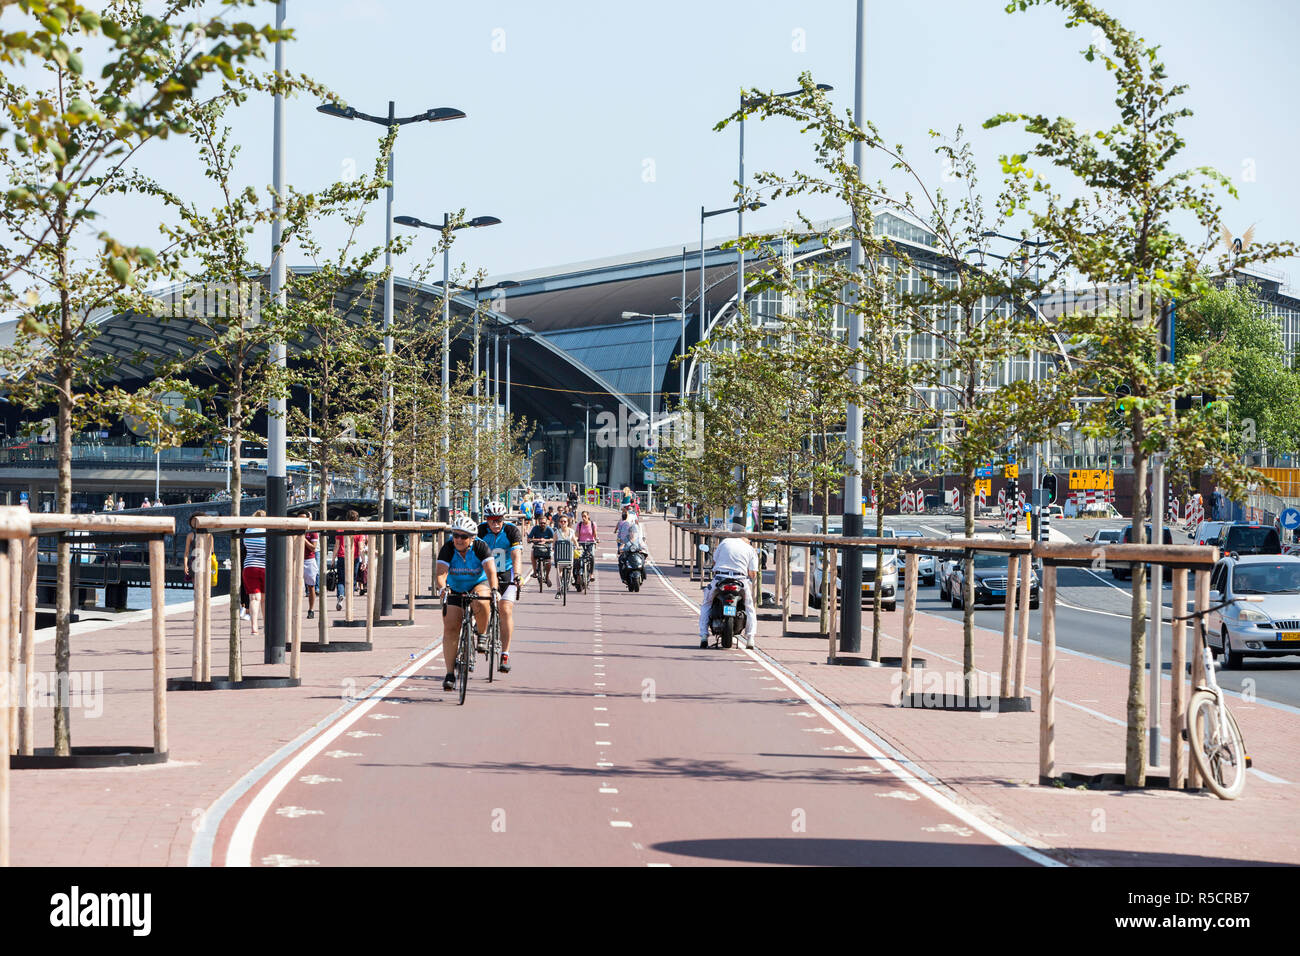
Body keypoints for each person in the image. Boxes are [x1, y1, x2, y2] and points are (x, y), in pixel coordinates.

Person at [435, 515, 499, 692]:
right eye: (456, 535)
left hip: (478, 583)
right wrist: (442, 589)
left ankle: (483, 633)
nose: (458, 540)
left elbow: (491, 571)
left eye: (464, 536)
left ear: (472, 538)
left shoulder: (481, 547)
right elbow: (440, 574)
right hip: (455, 587)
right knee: (450, 628)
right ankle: (449, 674)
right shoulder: (448, 548)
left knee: (481, 598)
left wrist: (494, 590)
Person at [478, 501, 523, 673]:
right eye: (492, 520)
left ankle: (505, 654)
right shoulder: (480, 531)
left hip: (506, 572)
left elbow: (516, 554)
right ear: (486, 520)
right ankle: (481, 628)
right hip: (485, 574)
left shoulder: (511, 530)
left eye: (499, 520)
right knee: (480, 601)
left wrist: (517, 575)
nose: (496, 523)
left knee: (505, 610)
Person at [698, 530, 761, 650]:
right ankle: (750, 638)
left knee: (706, 603)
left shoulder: (724, 543)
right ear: (747, 539)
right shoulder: (750, 550)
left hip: (720, 579)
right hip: (740, 581)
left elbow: (714, 563)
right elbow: (752, 574)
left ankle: (704, 636)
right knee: (749, 607)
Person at [242, 509, 268, 636]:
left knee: (254, 598)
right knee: (264, 599)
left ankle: (254, 627)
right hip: (265, 567)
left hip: (249, 566)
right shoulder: (267, 531)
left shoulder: (248, 531)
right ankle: (267, 625)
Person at [335, 509, 363, 611]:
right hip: (354, 557)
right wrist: (363, 560)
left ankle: (340, 595)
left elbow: (337, 546)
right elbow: (360, 548)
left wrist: (333, 559)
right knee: (352, 580)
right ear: (356, 519)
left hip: (342, 556)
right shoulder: (358, 531)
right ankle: (349, 603)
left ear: (346, 517)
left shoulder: (340, 529)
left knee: (341, 579)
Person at [528, 511, 556, 587]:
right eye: (540, 523)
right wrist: (533, 540)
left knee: (549, 562)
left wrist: (545, 540)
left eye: (544, 523)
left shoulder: (549, 529)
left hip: (546, 547)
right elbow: (529, 538)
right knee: (532, 554)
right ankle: (534, 572)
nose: (542, 524)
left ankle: (547, 577)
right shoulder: (535, 528)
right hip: (537, 547)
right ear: (538, 523)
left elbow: (554, 539)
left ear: (546, 522)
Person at [576, 511, 599, 579]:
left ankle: (591, 574)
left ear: (588, 516)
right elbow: (577, 534)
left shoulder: (592, 524)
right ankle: (578, 575)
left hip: (590, 543)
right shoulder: (579, 524)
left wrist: (597, 539)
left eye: (585, 516)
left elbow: (595, 534)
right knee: (578, 558)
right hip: (581, 543)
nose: (583, 518)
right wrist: (574, 540)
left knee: (591, 556)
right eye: (582, 516)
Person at [303, 530, 319, 619]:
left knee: (311, 586)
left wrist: (304, 539)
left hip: (309, 560)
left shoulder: (312, 532)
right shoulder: (295, 530)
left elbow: (313, 548)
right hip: (297, 558)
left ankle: (311, 609)